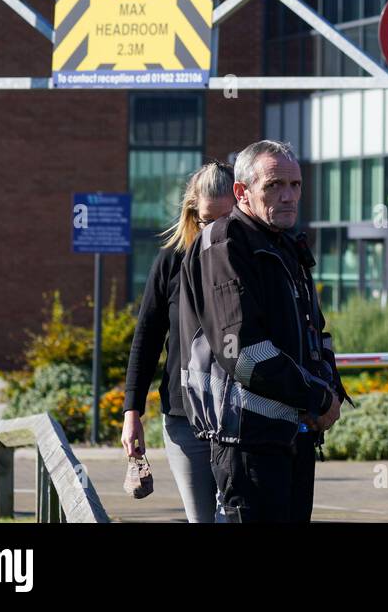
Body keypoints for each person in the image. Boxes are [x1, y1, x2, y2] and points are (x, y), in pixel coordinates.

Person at [179, 139, 346, 523]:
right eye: (273, 185)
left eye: (295, 185)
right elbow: (242, 352)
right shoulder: (224, 244)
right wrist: (319, 398)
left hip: (294, 435)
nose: (288, 196)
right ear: (242, 192)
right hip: (248, 443)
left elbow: (315, 334)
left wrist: (328, 389)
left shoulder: (284, 245)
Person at [121, 161, 234, 522]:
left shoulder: (252, 261)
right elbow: (147, 337)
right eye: (207, 219)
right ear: (191, 213)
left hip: (242, 418)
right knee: (203, 518)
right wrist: (131, 412)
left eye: (227, 219)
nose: (216, 229)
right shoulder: (171, 260)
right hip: (184, 416)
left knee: (232, 516)